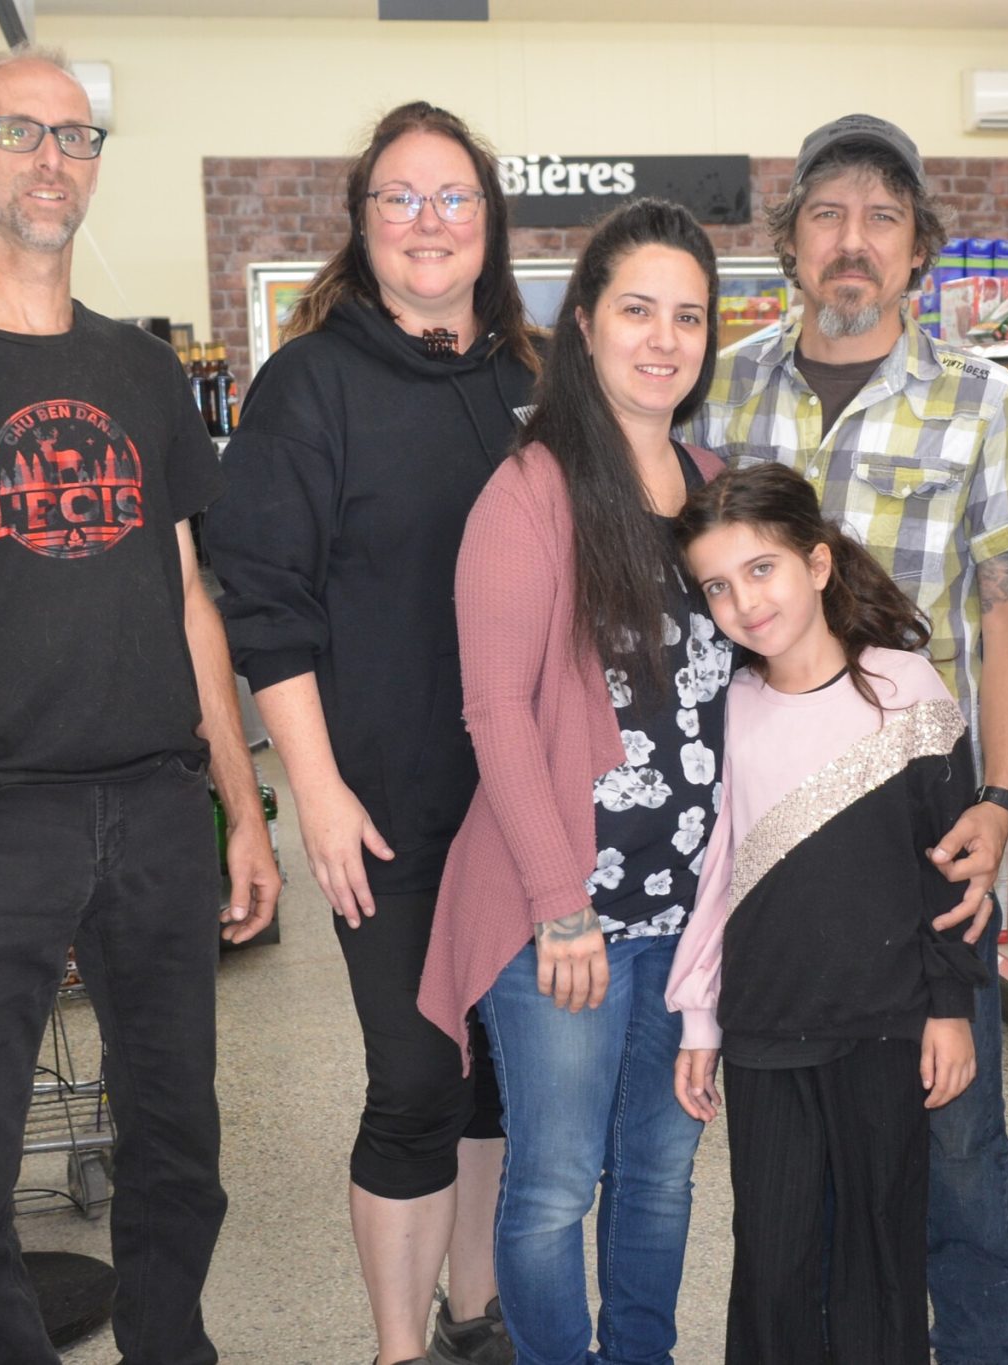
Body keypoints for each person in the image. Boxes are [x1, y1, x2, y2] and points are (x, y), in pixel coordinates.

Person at [0, 45, 279, 1363]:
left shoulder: (139, 378)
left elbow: (191, 603)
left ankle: (169, 1343)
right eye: (19, 134)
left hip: (149, 810)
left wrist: (242, 813)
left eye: (76, 138)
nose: (51, 160)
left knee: (180, 1140)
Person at [679, 113, 1008, 1364]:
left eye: (883, 218)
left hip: (920, 826)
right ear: (787, 240)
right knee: (801, 1179)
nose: (853, 241)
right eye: (827, 213)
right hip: (778, 824)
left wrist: (996, 801)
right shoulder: (720, 387)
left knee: (956, 1142)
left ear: (918, 248)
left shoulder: (981, 400)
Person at [203, 102, 533, 1365]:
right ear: (360, 224)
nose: (428, 221)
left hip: (516, 805)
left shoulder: (528, 378)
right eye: (399, 197)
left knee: (495, 1076)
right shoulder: (310, 383)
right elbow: (265, 610)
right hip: (379, 804)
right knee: (414, 1077)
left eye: (453, 197)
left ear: (489, 223)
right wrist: (317, 793)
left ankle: (474, 1317)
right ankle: (401, 1345)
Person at [415, 199, 726, 1365]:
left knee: (658, 1177)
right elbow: (493, 710)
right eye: (636, 310)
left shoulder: (708, 482)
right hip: (565, 927)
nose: (662, 338)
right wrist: (560, 903)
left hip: (685, 919)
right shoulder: (529, 492)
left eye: (687, 316)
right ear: (584, 325)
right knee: (551, 1187)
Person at [665, 462, 992, 1364]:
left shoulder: (905, 691)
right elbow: (720, 872)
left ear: (816, 563)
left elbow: (952, 876)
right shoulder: (729, 706)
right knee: (771, 1264)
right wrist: (700, 1017)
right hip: (766, 1028)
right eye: (718, 587)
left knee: (880, 1259)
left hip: (888, 1030)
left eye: (762, 569)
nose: (744, 601)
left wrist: (951, 1008)